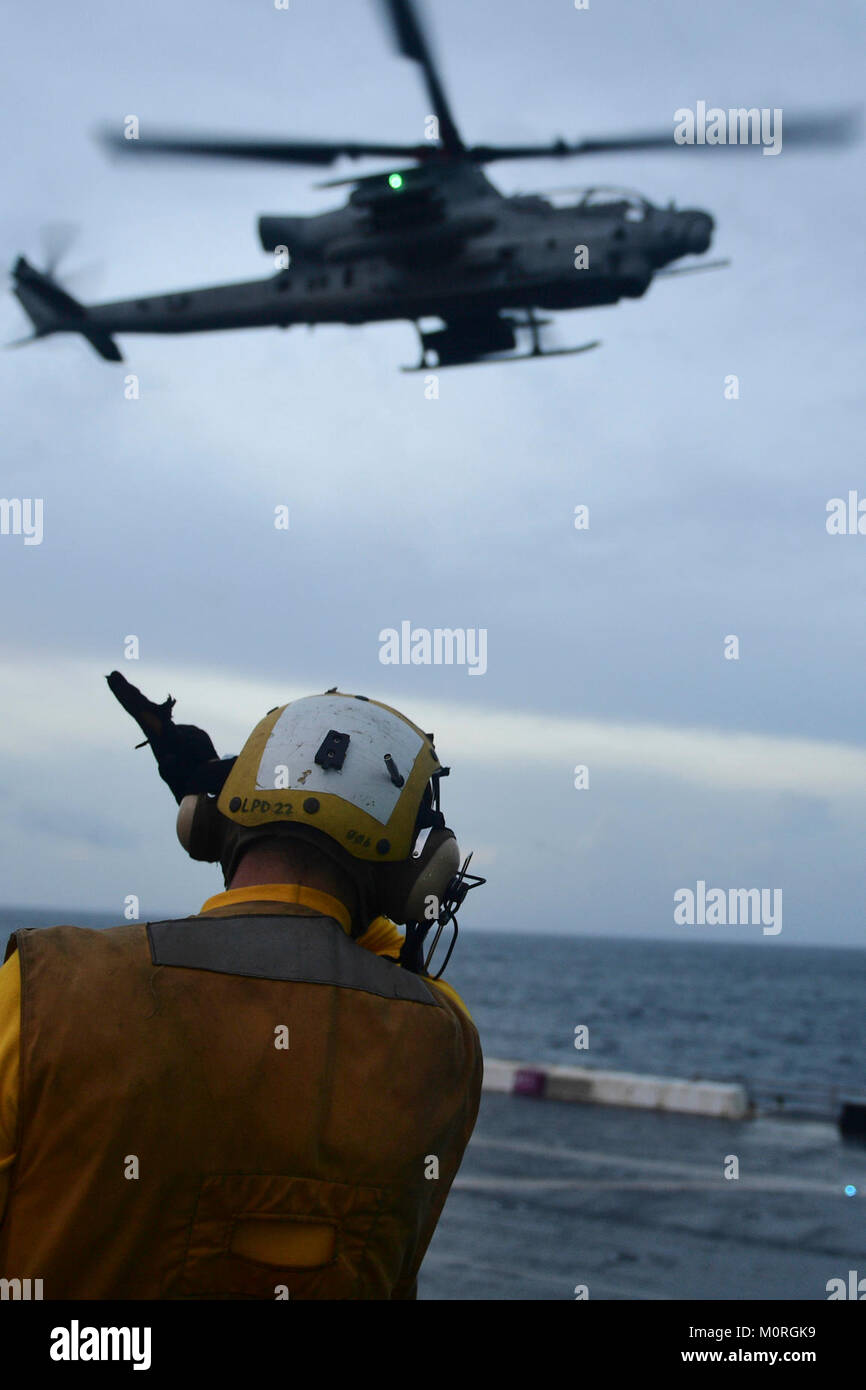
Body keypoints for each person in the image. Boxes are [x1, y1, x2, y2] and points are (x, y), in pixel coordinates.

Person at [0, 677, 484, 1299]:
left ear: (203, 823)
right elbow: (361, 965)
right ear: (418, 876)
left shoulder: (45, 986)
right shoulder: (443, 1043)